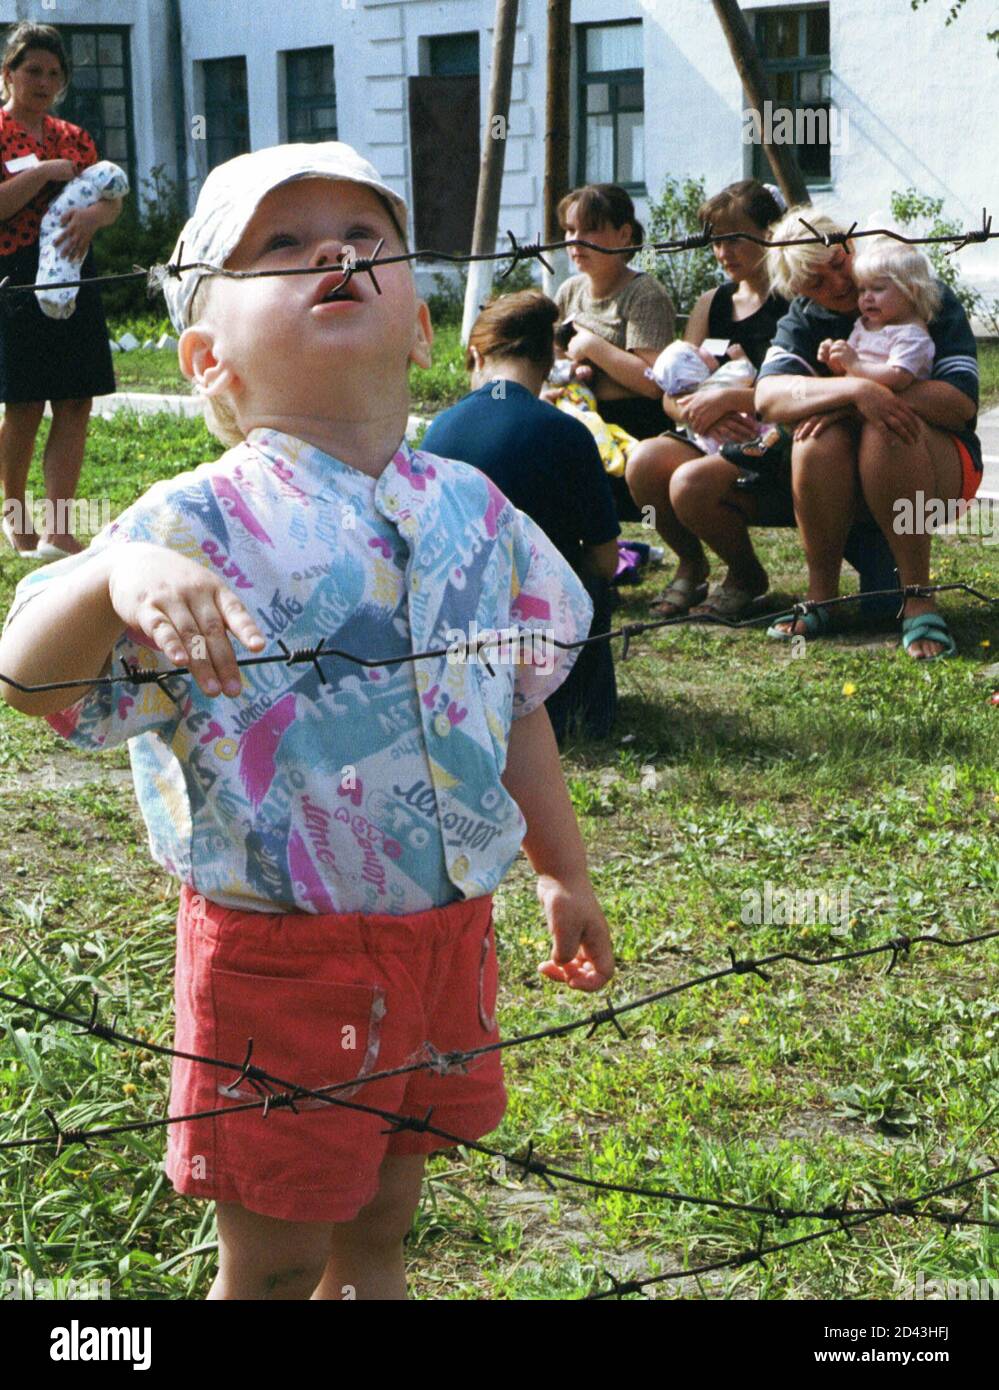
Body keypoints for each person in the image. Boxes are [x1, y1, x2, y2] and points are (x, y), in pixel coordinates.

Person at [0, 141, 615, 1301]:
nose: (333, 251)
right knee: (276, 1258)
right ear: (207, 358)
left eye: (363, 238)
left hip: (448, 937)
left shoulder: (477, 513)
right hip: (282, 959)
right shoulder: (191, 523)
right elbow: (31, 683)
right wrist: (107, 574)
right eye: (281, 246)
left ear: (423, 327)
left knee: (382, 1223)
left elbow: (518, 704)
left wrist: (559, 869)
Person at [757, 210, 981, 660]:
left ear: (851, 244)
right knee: (815, 440)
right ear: (799, 292)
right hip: (842, 474)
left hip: (939, 468)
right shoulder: (804, 318)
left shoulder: (919, 294)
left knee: (887, 429)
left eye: (839, 265)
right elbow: (768, 399)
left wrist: (863, 399)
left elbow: (959, 403)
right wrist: (857, 392)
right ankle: (824, 599)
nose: (838, 286)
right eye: (816, 283)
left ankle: (918, 596)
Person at [423, 289, 621, 742]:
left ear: (476, 356)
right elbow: (606, 561)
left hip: (461, 661)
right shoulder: (568, 434)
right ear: (549, 363)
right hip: (555, 671)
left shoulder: (440, 430)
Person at [625, 180, 789, 618]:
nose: (723, 252)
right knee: (642, 462)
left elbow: (803, 385)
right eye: (716, 240)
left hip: (771, 436)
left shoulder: (793, 300)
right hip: (706, 432)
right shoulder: (709, 304)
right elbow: (670, 392)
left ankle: (744, 573)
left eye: (735, 238)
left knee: (688, 484)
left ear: (771, 233)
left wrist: (732, 403)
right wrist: (699, 416)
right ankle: (691, 564)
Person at [0, 21, 123, 560]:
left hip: (75, 270)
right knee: (23, 404)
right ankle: (15, 516)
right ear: (8, 73)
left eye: (54, 73)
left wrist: (96, 217)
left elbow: (111, 195)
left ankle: (60, 527)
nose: (44, 81)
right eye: (33, 70)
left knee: (75, 400)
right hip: (17, 274)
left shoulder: (74, 136)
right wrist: (46, 171)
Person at [550, 183, 676, 521]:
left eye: (590, 229)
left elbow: (653, 383)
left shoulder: (644, 295)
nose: (575, 240)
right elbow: (552, 358)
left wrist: (592, 346)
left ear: (624, 235)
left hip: (634, 428)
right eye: (570, 230)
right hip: (580, 418)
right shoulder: (569, 291)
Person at [817, 237, 939, 392]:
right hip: (856, 399)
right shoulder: (864, 325)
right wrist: (835, 357)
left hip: (889, 411)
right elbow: (845, 370)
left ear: (910, 291)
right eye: (862, 290)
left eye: (878, 288)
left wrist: (855, 364)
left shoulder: (912, 335)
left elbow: (898, 378)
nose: (867, 297)